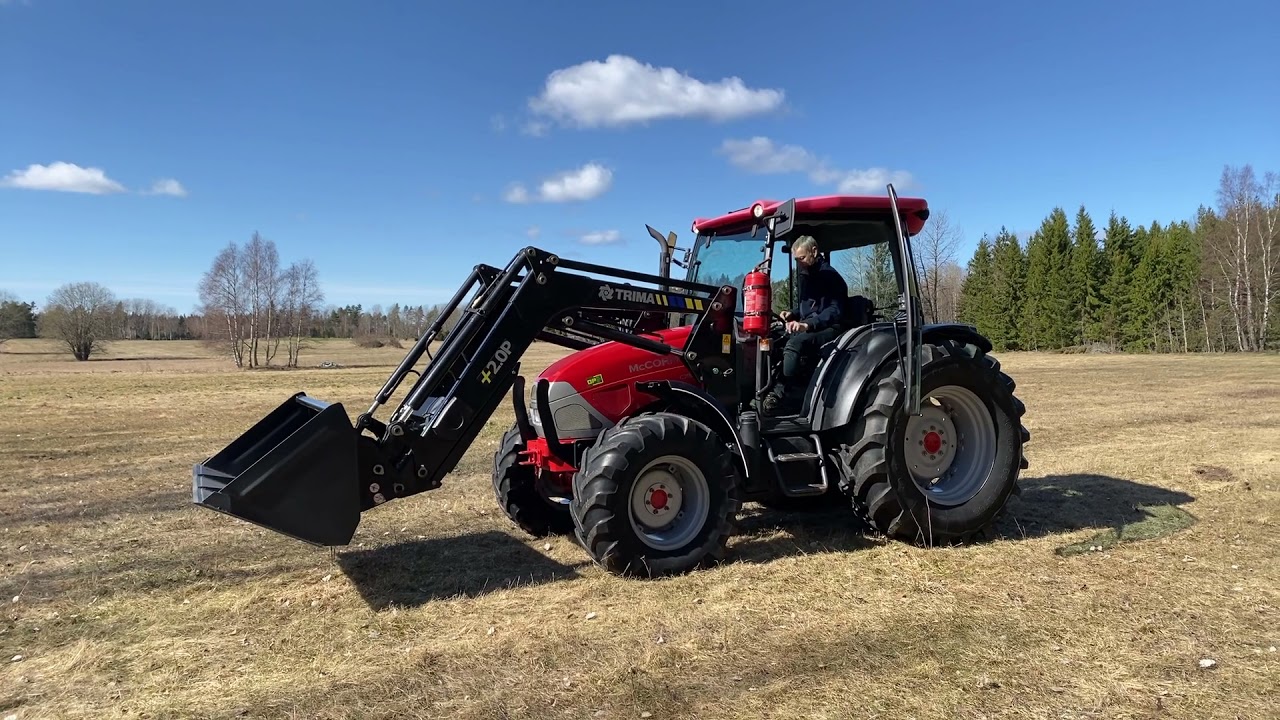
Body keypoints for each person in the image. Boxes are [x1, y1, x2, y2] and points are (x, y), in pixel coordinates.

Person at [763, 235, 848, 415]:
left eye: (801, 258)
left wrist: (807, 325)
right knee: (773, 340)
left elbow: (834, 311)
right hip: (811, 325)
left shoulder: (831, 277)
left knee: (795, 344)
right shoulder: (806, 276)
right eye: (796, 260)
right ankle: (768, 389)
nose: (799, 263)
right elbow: (809, 305)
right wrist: (793, 313)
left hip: (831, 328)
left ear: (814, 252)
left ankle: (788, 395)